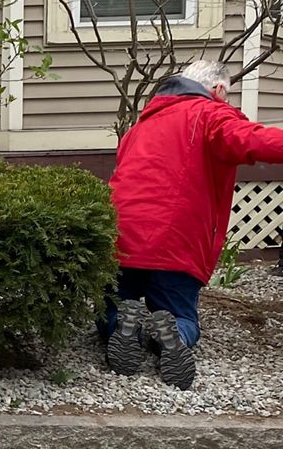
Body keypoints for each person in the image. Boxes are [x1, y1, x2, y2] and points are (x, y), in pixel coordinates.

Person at [103, 60, 283, 390]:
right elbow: (250, 139)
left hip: (121, 234)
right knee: (181, 315)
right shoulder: (210, 114)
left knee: (113, 305)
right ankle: (171, 334)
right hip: (175, 240)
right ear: (217, 90)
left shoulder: (140, 126)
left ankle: (121, 327)